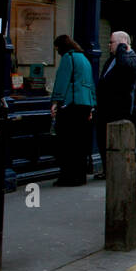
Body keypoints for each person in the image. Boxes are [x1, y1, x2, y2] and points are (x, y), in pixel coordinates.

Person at [95, 30, 136, 180]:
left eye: (112, 42)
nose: (109, 45)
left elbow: (124, 68)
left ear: (123, 43)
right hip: (104, 108)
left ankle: (116, 170)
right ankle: (107, 169)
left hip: (119, 109)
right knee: (103, 140)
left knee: (116, 141)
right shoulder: (111, 59)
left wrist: (122, 49)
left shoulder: (133, 59)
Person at [50, 35, 95, 186]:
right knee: (80, 144)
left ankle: (68, 177)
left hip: (71, 104)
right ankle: (79, 176)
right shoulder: (84, 59)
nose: (57, 52)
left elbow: (62, 80)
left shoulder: (68, 57)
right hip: (84, 104)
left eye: (57, 48)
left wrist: (55, 102)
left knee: (67, 143)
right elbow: (90, 84)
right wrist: (91, 105)